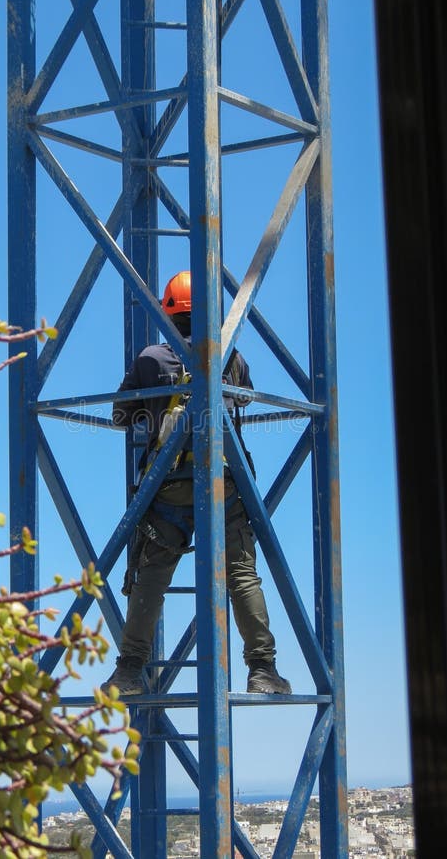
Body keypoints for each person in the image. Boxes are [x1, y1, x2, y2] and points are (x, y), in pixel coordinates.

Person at [101, 271, 291, 696]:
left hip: (167, 490)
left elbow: (119, 416)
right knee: (242, 576)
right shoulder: (232, 358)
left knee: (150, 577)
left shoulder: (151, 358)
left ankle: (129, 671)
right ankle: (262, 669)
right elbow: (243, 398)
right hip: (225, 488)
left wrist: (151, 407)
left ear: (166, 309)